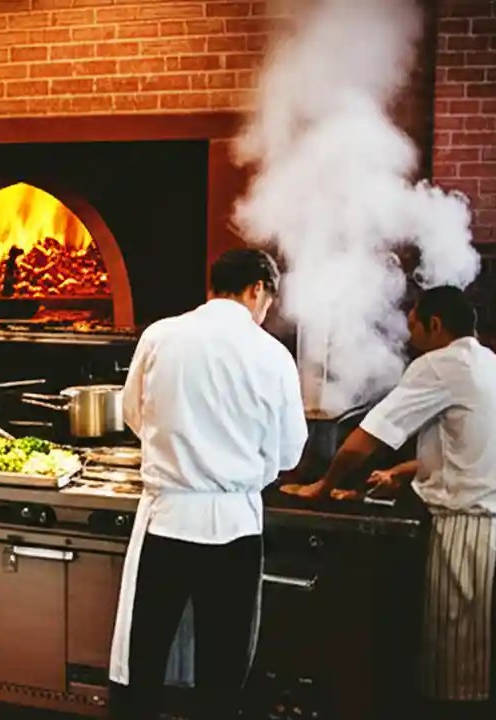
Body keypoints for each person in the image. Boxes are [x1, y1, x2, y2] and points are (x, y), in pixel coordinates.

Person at [281, 286, 496, 718]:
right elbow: (471, 449)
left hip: (465, 538)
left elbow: (365, 440)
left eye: (413, 327)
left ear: (434, 324)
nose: (409, 338)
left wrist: (320, 487)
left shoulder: (439, 365)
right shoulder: (492, 365)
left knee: (456, 681)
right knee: (488, 670)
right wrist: (403, 471)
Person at [109, 247, 307, 720]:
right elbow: (289, 451)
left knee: (147, 658)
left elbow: (133, 413)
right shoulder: (271, 354)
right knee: (222, 667)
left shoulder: (161, 335)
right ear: (257, 289)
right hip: (235, 525)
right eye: (267, 302)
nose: (265, 313)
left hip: (168, 520)